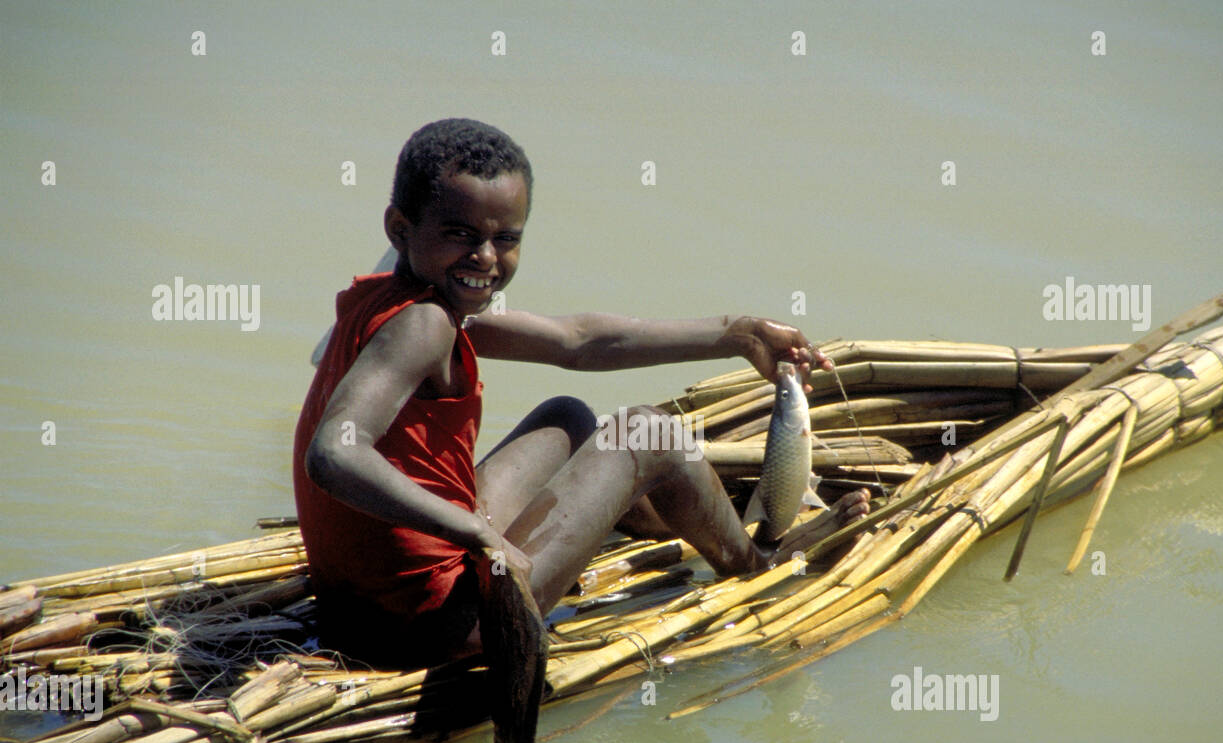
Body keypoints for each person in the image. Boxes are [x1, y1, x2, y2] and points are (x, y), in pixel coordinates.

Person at [292, 118, 866, 668]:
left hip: (357, 616)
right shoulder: (424, 326)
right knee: (648, 432)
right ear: (399, 229)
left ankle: (645, 518)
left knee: (566, 418)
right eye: (460, 235)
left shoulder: (398, 301)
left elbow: (579, 341)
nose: (486, 259)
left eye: (506, 238)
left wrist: (739, 334)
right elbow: (335, 452)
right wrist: (470, 530)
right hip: (440, 625)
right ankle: (755, 562)